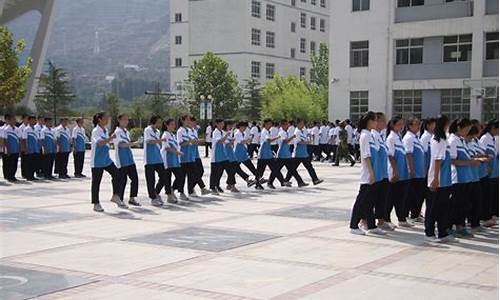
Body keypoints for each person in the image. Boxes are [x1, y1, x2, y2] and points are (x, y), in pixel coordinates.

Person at [349, 111, 386, 236]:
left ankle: (371, 225)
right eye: (375, 120)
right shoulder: (364, 135)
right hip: (368, 175)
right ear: (369, 121)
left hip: (374, 173)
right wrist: (370, 173)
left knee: (370, 201)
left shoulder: (371, 135)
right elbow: (366, 156)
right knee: (361, 200)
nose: (377, 122)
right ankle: (353, 225)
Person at [425, 115, 456, 243]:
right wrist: (435, 178)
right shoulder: (437, 140)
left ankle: (442, 232)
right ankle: (429, 232)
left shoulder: (444, 139)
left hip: (446, 178)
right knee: (433, 207)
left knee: (443, 207)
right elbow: (437, 160)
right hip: (438, 179)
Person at [448, 118, 480, 237]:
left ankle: (460, 225)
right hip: (457, 178)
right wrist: (470, 163)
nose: (467, 132)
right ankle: (452, 226)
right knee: (457, 204)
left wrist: (473, 161)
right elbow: (452, 160)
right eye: (466, 129)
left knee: (464, 204)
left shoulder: (461, 140)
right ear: (458, 128)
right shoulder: (453, 141)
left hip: (466, 177)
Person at [90, 112, 125, 212]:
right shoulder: (96, 131)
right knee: (96, 183)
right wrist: (111, 138)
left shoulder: (105, 130)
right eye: (105, 118)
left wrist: (110, 139)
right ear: (100, 119)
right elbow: (100, 143)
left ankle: (115, 195)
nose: (107, 119)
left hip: (106, 159)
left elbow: (105, 142)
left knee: (117, 175)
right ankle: (96, 203)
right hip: (97, 160)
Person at [385, 116, 412, 228]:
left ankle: (401, 218)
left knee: (400, 197)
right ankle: (386, 219)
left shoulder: (399, 137)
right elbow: (391, 156)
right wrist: (395, 171)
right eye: (399, 124)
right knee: (391, 198)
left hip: (402, 172)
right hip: (395, 173)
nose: (401, 127)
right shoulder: (391, 138)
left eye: (402, 124)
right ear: (393, 125)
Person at [372, 112, 394, 231]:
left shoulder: (380, 135)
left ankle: (381, 220)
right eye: (383, 121)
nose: (385, 123)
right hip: (377, 172)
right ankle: (364, 220)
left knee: (382, 198)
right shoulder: (373, 135)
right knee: (373, 198)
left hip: (383, 172)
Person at [403, 117, 426, 223]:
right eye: (416, 124)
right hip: (415, 172)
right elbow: (408, 155)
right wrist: (411, 169)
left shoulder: (416, 137)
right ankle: (411, 215)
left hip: (420, 172)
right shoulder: (409, 138)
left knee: (419, 195)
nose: (418, 126)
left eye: (419, 124)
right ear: (409, 126)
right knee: (413, 195)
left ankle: (416, 213)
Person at [114, 114, 140, 207]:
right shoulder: (117, 132)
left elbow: (127, 144)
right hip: (122, 160)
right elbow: (121, 145)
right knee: (122, 180)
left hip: (129, 159)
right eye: (124, 119)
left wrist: (131, 144)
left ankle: (132, 198)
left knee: (135, 179)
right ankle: (120, 199)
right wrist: (133, 143)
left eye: (127, 119)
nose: (126, 121)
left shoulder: (126, 132)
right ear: (119, 120)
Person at [288, 119, 323, 185]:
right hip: (298, 153)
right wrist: (307, 142)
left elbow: (306, 137)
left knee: (309, 167)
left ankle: (315, 180)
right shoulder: (297, 132)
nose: (303, 125)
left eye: (303, 123)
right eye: (301, 123)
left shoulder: (302, 131)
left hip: (304, 153)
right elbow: (299, 142)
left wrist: (307, 141)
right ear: (298, 124)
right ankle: (286, 180)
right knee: (293, 169)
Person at [157, 119, 183, 203]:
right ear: (166, 125)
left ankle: (172, 189)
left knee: (180, 176)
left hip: (175, 160)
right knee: (166, 179)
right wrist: (177, 152)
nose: (173, 126)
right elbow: (167, 148)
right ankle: (168, 195)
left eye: (174, 124)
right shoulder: (165, 135)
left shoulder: (173, 135)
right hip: (167, 160)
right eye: (171, 124)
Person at [257, 119, 289, 189]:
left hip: (268, 153)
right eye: (269, 124)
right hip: (263, 154)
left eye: (271, 124)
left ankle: (282, 181)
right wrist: (277, 137)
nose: (270, 125)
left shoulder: (268, 131)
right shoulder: (264, 132)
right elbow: (268, 140)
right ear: (265, 124)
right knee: (260, 171)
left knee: (275, 168)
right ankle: (257, 184)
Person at [275, 120, 307, 187]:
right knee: (276, 170)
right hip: (282, 155)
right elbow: (285, 141)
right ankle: (271, 181)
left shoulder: (285, 132)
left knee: (292, 169)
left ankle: (299, 182)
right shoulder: (282, 133)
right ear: (283, 125)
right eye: (286, 125)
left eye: (288, 125)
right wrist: (293, 137)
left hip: (287, 155)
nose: (288, 126)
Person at [144, 115, 167, 206]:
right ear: (154, 122)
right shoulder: (147, 130)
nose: (160, 124)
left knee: (164, 176)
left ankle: (156, 192)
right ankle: (153, 198)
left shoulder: (157, 131)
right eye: (159, 122)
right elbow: (149, 141)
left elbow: (157, 143)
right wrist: (161, 140)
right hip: (149, 159)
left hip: (158, 158)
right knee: (151, 180)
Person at [479, 120, 499, 223]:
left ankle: (492, 214)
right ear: (493, 128)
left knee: (493, 195)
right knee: (487, 196)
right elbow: (482, 154)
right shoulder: (485, 138)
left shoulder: (493, 139)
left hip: (495, 172)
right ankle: (485, 216)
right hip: (487, 172)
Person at [234, 121, 262, 190]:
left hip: (244, 153)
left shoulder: (244, 133)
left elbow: (247, 142)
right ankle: (232, 184)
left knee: (252, 168)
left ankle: (257, 183)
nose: (244, 128)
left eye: (245, 127)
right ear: (239, 127)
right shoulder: (237, 133)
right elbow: (241, 141)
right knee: (235, 169)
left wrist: (249, 140)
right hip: (238, 154)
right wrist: (248, 140)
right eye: (243, 127)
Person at [189, 118, 210, 196]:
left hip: (196, 154)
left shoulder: (194, 130)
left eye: (195, 122)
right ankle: (201, 188)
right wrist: (200, 140)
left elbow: (196, 140)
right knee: (194, 173)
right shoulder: (187, 131)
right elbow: (193, 141)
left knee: (200, 171)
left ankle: (192, 187)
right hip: (190, 155)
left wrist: (199, 140)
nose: (195, 123)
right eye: (193, 122)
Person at [176, 115, 195, 199]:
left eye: (189, 120)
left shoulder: (189, 130)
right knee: (182, 176)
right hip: (183, 156)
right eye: (187, 120)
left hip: (190, 156)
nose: (189, 121)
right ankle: (181, 192)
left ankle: (190, 191)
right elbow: (180, 143)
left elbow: (191, 141)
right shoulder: (180, 131)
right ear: (182, 121)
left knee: (191, 175)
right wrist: (189, 142)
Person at [209, 118, 229, 194]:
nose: (222, 125)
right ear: (216, 124)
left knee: (221, 171)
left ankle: (217, 185)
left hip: (223, 155)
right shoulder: (215, 132)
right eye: (220, 124)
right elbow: (220, 141)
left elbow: (225, 142)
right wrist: (226, 136)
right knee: (214, 172)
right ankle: (212, 187)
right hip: (216, 156)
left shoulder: (222, 132)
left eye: (223, 124)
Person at [1, 114, 20, 182]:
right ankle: (9, 176)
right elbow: (5, 140)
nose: (14, 120)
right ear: (9, 120)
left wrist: (19, 148)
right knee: (9, 164)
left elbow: (19, 139)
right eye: (13, 119)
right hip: (9, 149)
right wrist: (7, 149)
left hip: (16, 149)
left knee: (15, 163)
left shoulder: (17, 129)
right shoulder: (6, 129)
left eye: (15, 119)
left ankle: (13, 176)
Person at [21, 116, 38, 181]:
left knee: (34, 163)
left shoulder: (35, 129)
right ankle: (28, 176)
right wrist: (25, 149)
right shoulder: (26, 129)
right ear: (29, 121)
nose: (33, 121)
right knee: (28, 163)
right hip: (29, 149)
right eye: (32, 120)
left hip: (35, 149)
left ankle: (32, 175)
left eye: (34, 120)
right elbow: (24, 140)